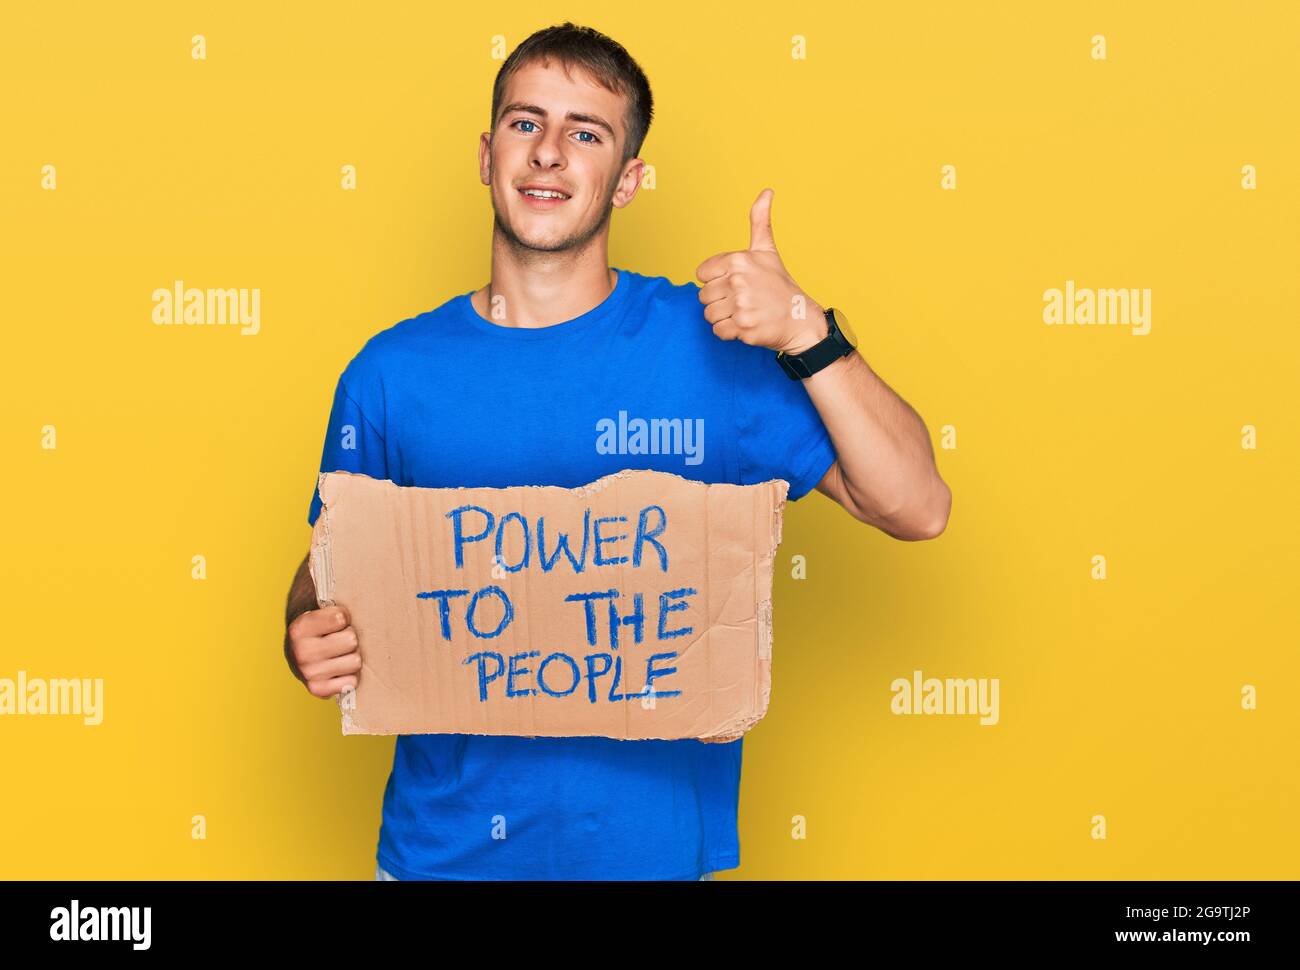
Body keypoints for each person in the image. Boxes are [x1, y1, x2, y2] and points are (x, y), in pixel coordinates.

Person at [283, 22, 951, 881]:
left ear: (628, 179)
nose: (549, 153)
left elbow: (917, 505)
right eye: (526, 124)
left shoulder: (715, 350)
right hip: (441, 859)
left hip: (653, 861)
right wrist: (305, 627)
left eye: (584, 133)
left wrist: (804, 331)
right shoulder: (390, 373)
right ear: (488, 156)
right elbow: (326, 566)